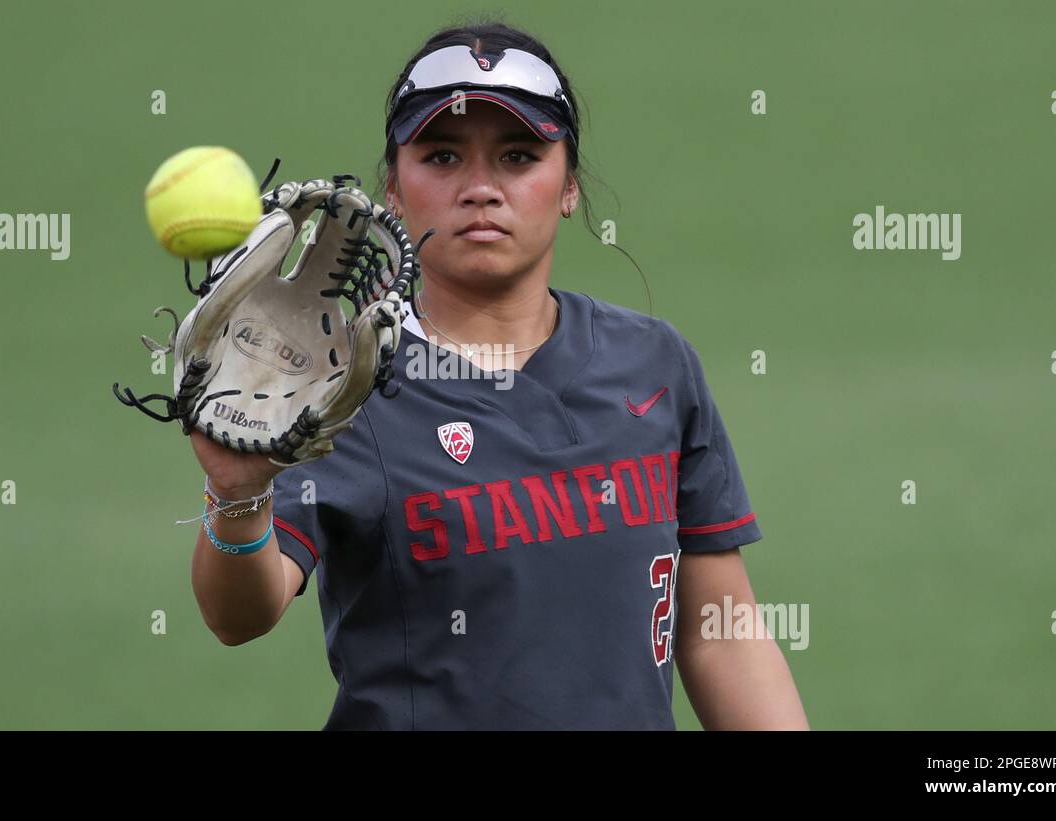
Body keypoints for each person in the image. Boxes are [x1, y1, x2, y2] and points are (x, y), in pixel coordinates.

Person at [188, 19, 808, 731]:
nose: (480, 187)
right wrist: (237, 494)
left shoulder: (655, 364)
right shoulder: (340, 385)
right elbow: (239, 614)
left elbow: (719, 631)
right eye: (442, 156)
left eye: (518, 156)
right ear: (393, 186)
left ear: (569, 185)